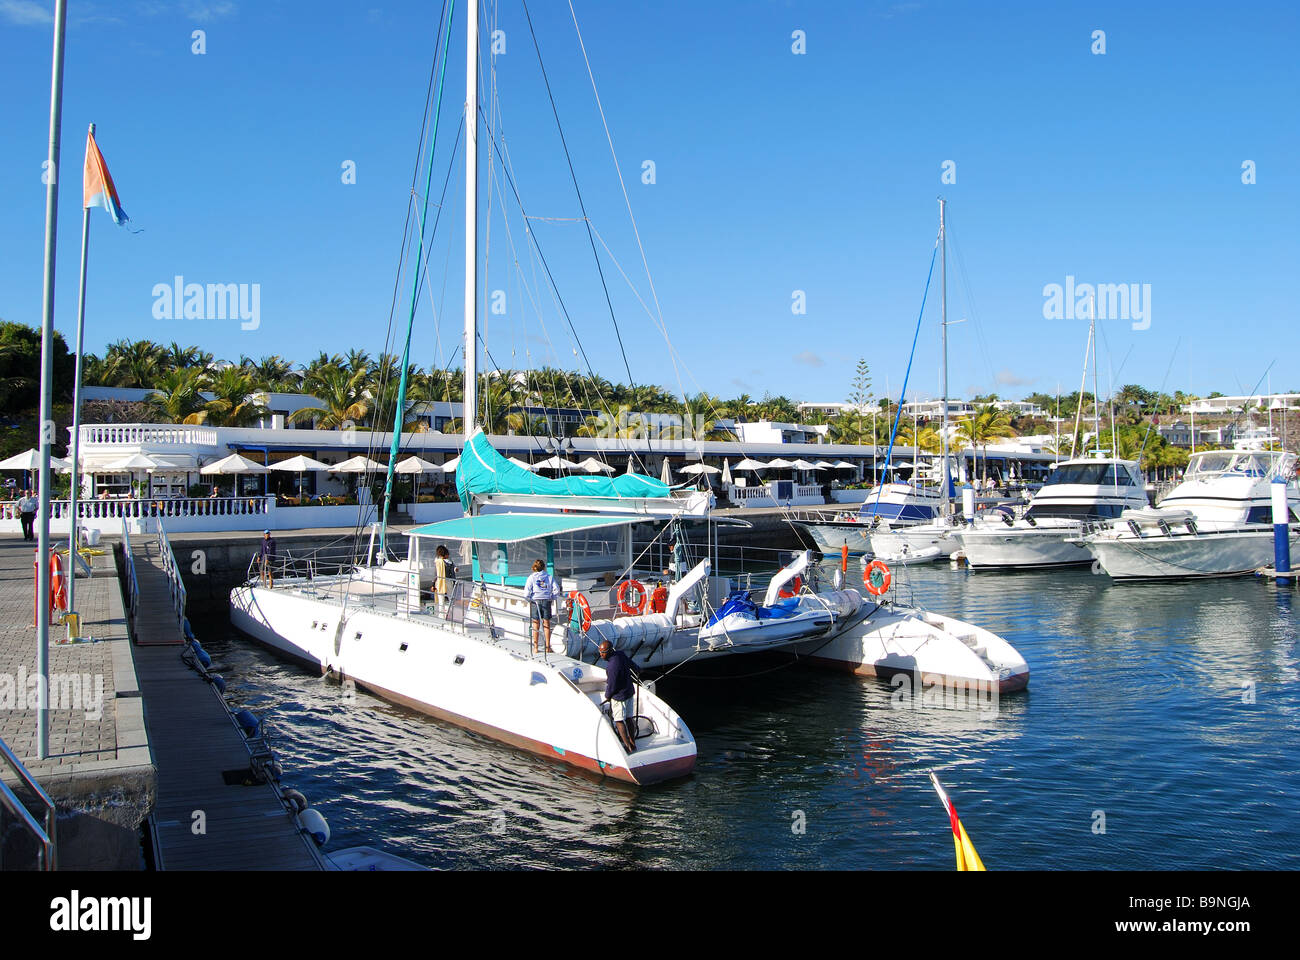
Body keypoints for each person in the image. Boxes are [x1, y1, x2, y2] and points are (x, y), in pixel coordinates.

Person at [598, 640, 637, 753]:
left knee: (619, 720)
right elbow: (630, 663)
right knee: (629, 718)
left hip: (619, 697)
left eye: (603, 652)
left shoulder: (611, 667)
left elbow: (612, 685)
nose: (601, 655)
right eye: (600, 652)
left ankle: (628, 746)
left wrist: (608, 696)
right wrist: (637, 668)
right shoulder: (620, 654)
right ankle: (633, 742)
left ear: (609, 651)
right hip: (629, 692)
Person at [523, 558, 561, 654]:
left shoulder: (531, 577)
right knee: (546, 625)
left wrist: (530, 599)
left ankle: (535, 647)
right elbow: (557, 590)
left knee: (536, 624)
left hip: (535, 601)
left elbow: (526, 593)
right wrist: (551, 597)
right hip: (546, 601)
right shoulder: (549, 577)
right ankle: (547, 647)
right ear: (544, 567)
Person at [433, 544, 454, 612]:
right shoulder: (449, 562)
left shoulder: (437, 562)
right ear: (445, 554)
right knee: (450, 596)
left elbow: (435, 574)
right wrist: (454, 581)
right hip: (447, 580)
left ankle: (441, 613)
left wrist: (433, 584)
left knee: (441, 599)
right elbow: (452, 573)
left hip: (439, 581)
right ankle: (452, 612)